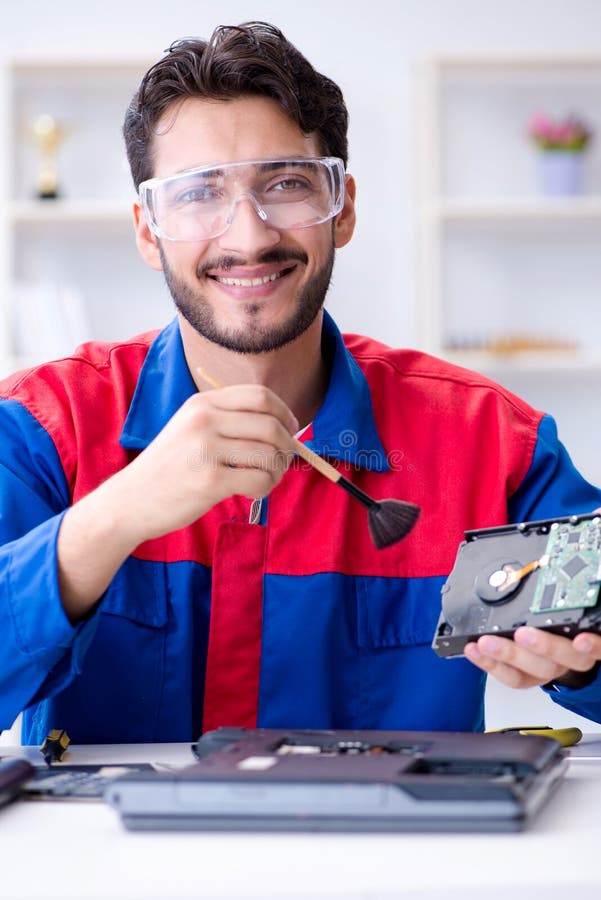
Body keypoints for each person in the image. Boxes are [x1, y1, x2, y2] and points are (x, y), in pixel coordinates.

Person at [1, 22, 601, 746]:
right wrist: (109, 519)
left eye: (284, 184)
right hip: (118, 860)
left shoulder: (489, 440)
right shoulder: (41, 428)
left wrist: (578, 665)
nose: (248, 236)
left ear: (341, 207)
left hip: (399, 859)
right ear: (147, 229)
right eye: (199, 195)